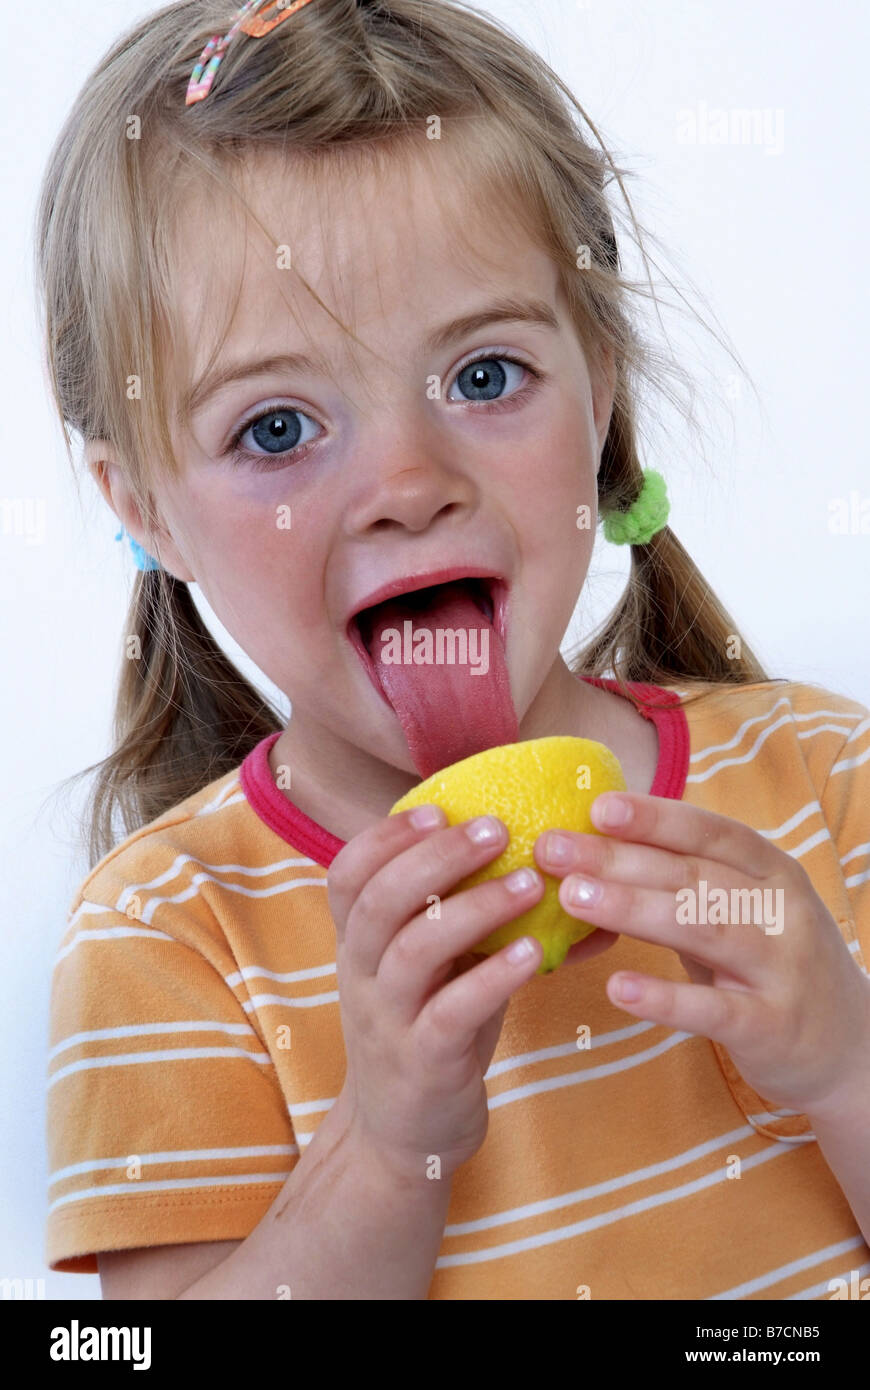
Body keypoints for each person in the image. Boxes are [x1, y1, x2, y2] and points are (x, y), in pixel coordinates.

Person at [38, 0, 869, 1300]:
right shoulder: (167, 939)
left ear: (598, 389)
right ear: (143, 507)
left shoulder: (828, 779)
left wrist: (846, 1063)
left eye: (483, 376)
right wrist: (384, 1149)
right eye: (274, 429)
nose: (407, 484)